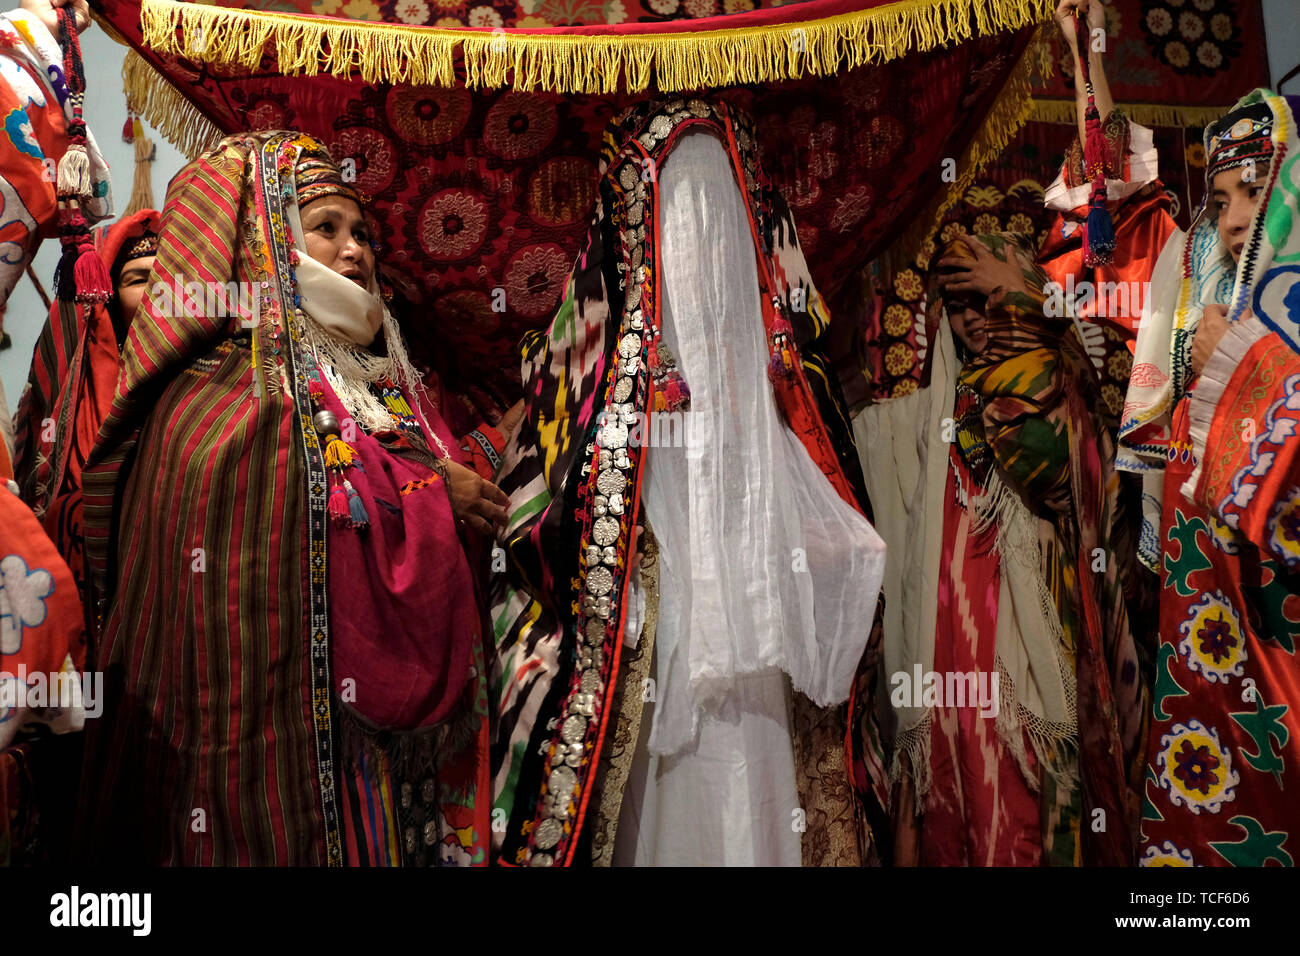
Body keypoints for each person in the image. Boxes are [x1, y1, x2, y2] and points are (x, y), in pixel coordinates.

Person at [76, 133, 506, 866]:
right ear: (261, 240)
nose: (354, 252)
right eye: (326, 228)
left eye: (361, 233)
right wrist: (438, 493)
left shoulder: (374, 369)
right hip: (280, 771)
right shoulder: (220, 397)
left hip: (388, 770)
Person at [487, 98, 888, 866]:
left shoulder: (794, 393)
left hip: (769, 694)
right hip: (643, 700)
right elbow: (536, 537)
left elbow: (841, 534)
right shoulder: (585, 384)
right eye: (680, 215)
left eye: (722, 219)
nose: (706, 259)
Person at [862, 231, 1145, 865]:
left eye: (985, 301)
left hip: (1028, 627)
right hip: (949, 632)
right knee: (953, 781)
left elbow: (1068, 477)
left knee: (1023, 798)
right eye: (956, 307)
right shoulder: (931, 408)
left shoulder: (1057, 385)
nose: (971, 321)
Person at [1122, 90, 1300, 867]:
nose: (1232, 223)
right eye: (1222, 199)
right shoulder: (1209, 306)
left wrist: (1245, 370)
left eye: (1254, 193)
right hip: (1213, 662)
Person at [12, 209, 160, 612]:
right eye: (139, 280)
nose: (156, 295)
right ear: (107, 295)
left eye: (167, 282)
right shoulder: (77, 397)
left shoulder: (212, 385)